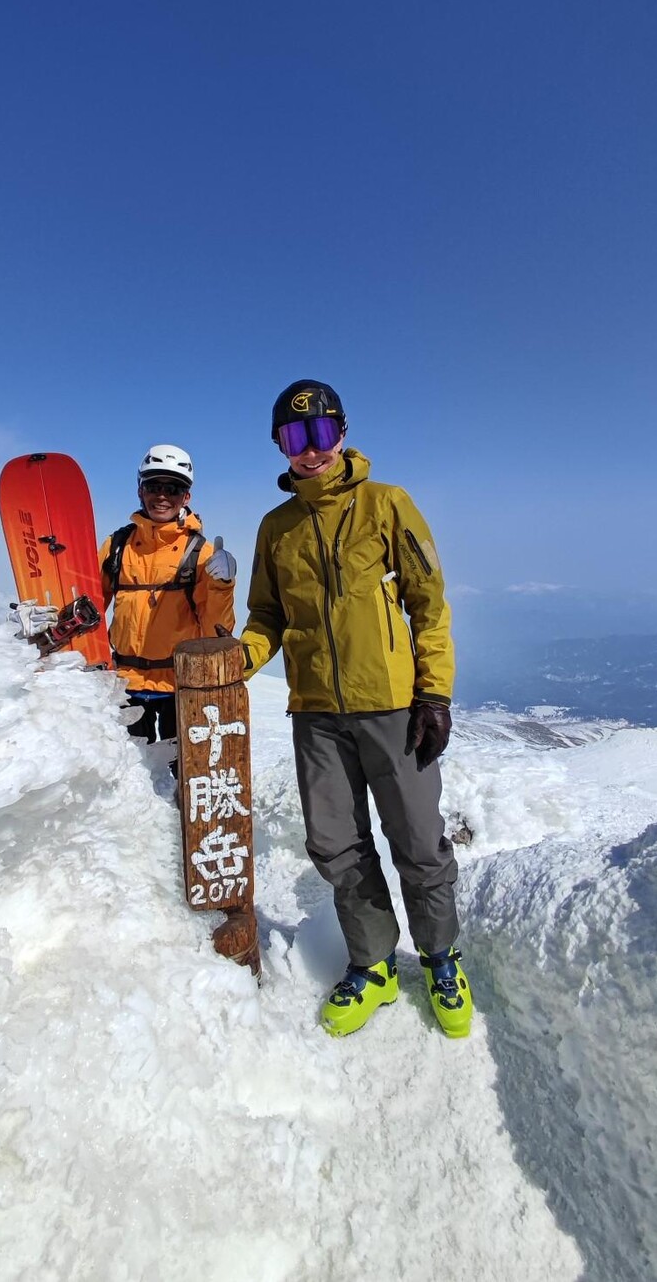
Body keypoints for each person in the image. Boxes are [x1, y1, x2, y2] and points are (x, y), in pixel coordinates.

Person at [240, 382, 472, 1039]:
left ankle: (438, 956)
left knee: (419, 842)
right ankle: (372, 963)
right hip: (315, 711)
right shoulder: (275, 528)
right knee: (335, 844)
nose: (309, 451)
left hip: (392, 708)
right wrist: (238, 657)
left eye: (319, 434)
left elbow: (428, 604)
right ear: (280, 446)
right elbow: (266, 616)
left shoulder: (387, 504)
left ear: (340, 434)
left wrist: (433, 692)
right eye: (294, 438)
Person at [99, 444, 236, 744]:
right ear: (140, 489)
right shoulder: (117, 546)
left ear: (186, 496)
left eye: (173, 488)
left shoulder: (201, 553)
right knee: (128, 775)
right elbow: (92, 606)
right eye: (154, 485)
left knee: (183, 777)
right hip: (124, 683)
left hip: (181, 684)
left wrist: (222, 586)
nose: (162, 495)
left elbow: (216, 629)